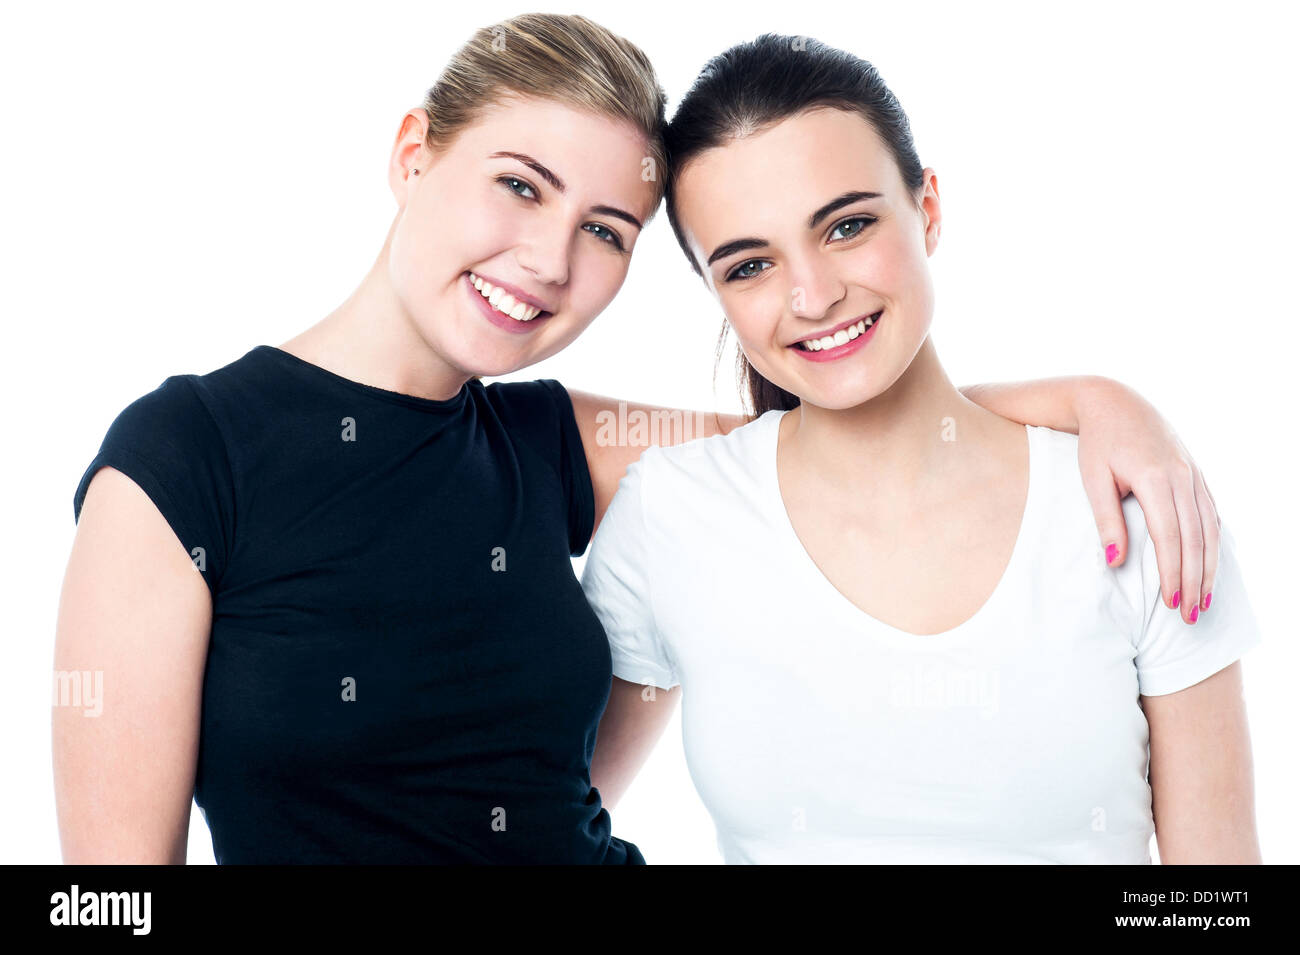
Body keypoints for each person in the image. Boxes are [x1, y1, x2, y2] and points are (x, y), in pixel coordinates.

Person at [55, 15, 1222, 864]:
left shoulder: (559, 438)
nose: (552, 261)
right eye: (519, 186)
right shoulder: (183, 458)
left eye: (606, 230)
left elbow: (857, 412)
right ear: (414, 152)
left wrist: (1100, 400)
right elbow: (101, 897)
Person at [581, 33, 1262, 864]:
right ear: (714, 291)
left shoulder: (1136, 509)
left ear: (929, 208)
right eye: (750, 265)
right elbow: (551, 828)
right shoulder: (668, 521)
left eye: (847, 226)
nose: (814, 295)